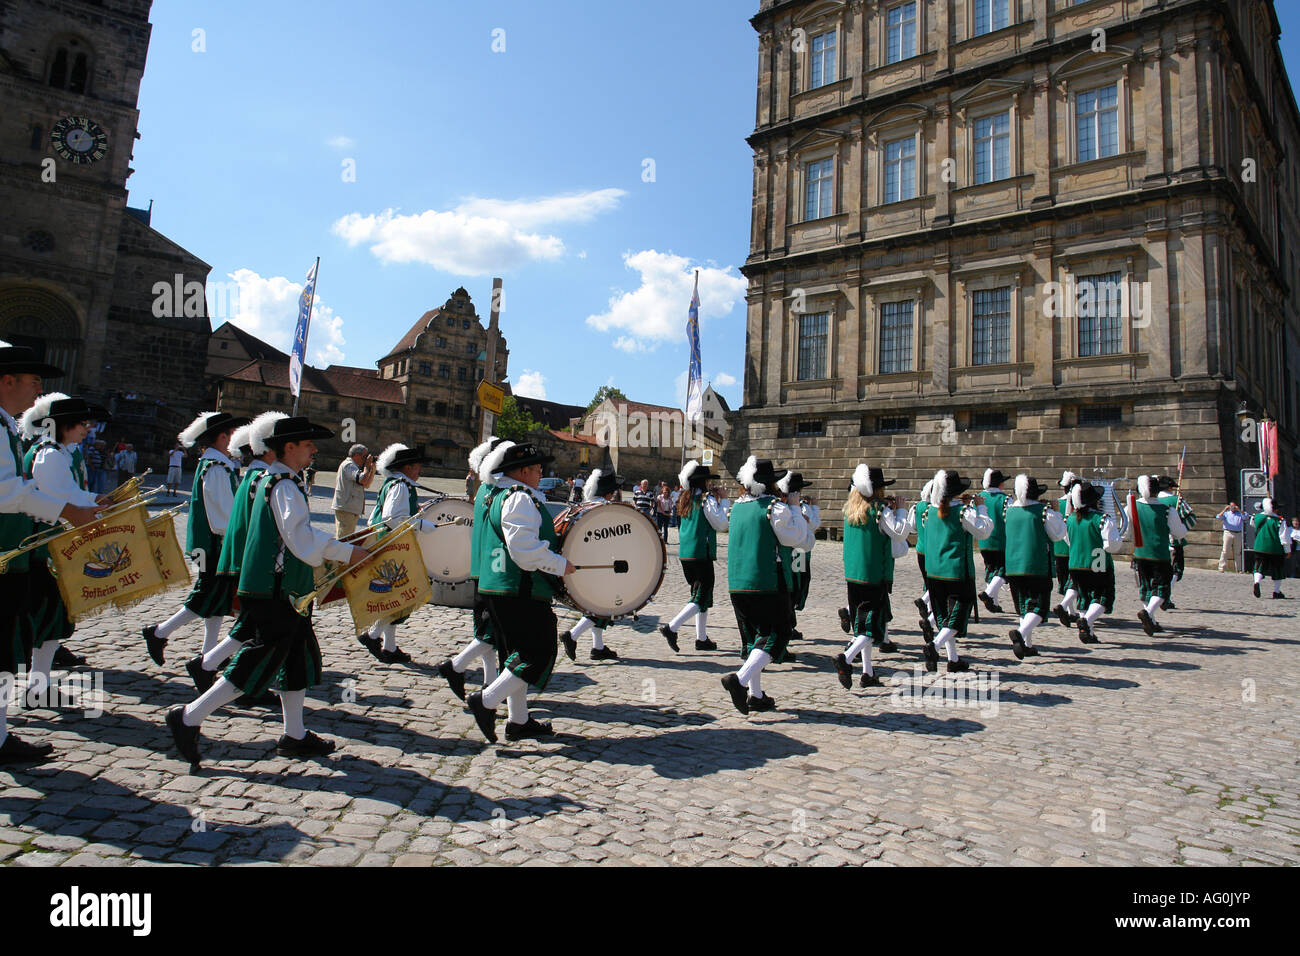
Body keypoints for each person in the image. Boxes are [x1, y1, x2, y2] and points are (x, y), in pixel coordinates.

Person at [166, 416, 368, 767]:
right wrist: (349, 552)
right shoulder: (284, 485)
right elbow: (301, 539)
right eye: (308, 445)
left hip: (278, 587)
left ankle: (295, 734)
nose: (314, 451)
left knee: (295, 659)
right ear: (288, 448)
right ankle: (189, 717)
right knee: (259, 660)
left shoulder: (276, 479)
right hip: (276, 591)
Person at [0, 347, 101, 765]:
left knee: (7, 648)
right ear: (8, 382)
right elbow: (8, 491)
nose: (40, 389)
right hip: (14, 554)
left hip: (13, 555)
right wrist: (70, 512)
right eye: (34, 380)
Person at [466, 442, 577, 743]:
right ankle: (486, 701)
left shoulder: (504, 495)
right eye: (538, 469)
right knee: (536, 654)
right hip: (517, 589)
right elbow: (524, 551)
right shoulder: (520, 499)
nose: (542, 473)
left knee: (514, 656)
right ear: (523, 471)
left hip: (504, 587)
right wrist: (559, 564)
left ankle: (518, 720)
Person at [19, 394, 109, 697]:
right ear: (66, 425)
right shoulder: (50, 455)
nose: (87, 428)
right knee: (45, 614)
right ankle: (36, 687)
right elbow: (61, 497)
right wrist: (94, 503)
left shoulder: (59, 452)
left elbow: (69, 492)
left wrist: (97, 500)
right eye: (83, 423)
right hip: (42, 548)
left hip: (49, 545)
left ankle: (38, 684)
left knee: (51, 615)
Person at [141, 411, 248, 667]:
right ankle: (159, 632)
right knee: (205, 596)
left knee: (217, 600)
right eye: (233, 435)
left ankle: (208, 653)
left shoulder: (215, 464)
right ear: (223, 437)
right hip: (214, 545)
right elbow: (221, 516)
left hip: (212, 544)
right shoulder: (216, 467)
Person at [186, 413, 283, 692]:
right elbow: (225, 520)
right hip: (227, 551)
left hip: (234, 552)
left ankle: (209, 663)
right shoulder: (222, 469)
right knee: (215, 603)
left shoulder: (229, 469)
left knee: (226, 610)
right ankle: (223, 672)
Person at [719, 457, 815, 715]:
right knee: (778, 633)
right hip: (767, 582)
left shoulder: (735, 508)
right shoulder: (774, 508)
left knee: (754, 639)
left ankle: (756, 695)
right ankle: (739, 680)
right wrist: (795, 508)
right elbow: (800, 541)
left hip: (738, 584)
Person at [438, 437, 509, 701]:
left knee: (486, 629)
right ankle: (455, 666)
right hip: (493, 570)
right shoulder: (496, 493)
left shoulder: (483, 491)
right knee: (493, 631)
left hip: (481, 567)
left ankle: (489, 683)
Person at [357, 443, 435, 663]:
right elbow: (391, 518)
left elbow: (379, 517)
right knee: (403, 596)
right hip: (395, 549)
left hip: (392, 547)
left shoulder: (397, 484)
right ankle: (372, 635)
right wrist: (420, 524)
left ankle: (389, 647)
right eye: (417, 465)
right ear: (407, 467)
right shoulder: (401, 485)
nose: (420, 469)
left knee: (396, 596)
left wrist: (416, 512)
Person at [833, 464, 906, 689]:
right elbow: (900, 533)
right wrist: (900, 510)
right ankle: (846, 656)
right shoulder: (880, 509)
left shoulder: (850, 509)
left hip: (854, 575)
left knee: (861, 624)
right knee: (872, 627)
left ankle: (868, 672)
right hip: (874, 574)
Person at [918, 469, 993, 672]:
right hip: (956, 570)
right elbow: (984, 530)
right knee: (957, 616)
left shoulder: (928, 511)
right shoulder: (962, 512)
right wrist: (981, 508)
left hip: (934, 571)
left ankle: (953, 659)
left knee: (943, 615)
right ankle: (934, 645)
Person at [660, 460, 728, 652]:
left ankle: (701, 637)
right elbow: (721, 524)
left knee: (699, 596)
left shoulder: (684, 498)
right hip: (701, 553)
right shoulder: (707, 500)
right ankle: (671, 627)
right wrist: (724, 501)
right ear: (703, 482)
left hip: (687, 554)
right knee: (701, 597)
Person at [560, 468, 628, 661]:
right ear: (609, 491)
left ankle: (597, 647)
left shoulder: (586, 506)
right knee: (603, 606)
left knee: (596, 605)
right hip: (602, 564)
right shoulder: (605, 509)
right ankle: (572, 635)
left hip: (583, 563)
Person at [1003, 475, 1068, 658]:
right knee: (1039, 608)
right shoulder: (1043, 511)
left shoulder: (1008, 511)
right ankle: (1021, 635)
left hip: (1013, 565)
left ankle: (1027, 644)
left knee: (1025, 606)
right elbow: (1058, 534)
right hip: (1036, 564)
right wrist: (1056, 512)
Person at [1127, 474, 1189, 634]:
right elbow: (1179, 533)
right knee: (1162, 589)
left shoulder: (1131, 508)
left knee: (1146, 588)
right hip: (1160, 554)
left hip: (1139, 554)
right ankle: (1148, 613)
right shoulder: (1167, 510)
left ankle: (1151, 620)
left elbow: (1127, 532)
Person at [1065, 481, 1123, 643]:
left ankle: (1087, 631)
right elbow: (1111, 545)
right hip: (1098, 562)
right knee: (1103, 596)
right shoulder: (1102, 519)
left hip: (1076, 563)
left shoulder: (1070, 519)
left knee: (1083, 597)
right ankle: (1087, 621)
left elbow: (1068, 540)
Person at [783, 473, 818, 640]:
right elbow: (814, 525)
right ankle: (789, 623)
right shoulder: (799, 505)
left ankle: (790, 622)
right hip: (799, 553)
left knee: (796, 586)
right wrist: (815, 509)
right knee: (797, 586)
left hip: (797, 552)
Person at [905, 479, 939, 640]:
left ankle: (929, 603)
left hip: (921, 549)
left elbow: (912, 527)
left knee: (928, 580)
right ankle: (927, 602)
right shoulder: (936, 509)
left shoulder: (917, 507)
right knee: (936, 582)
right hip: (934, 551)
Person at [1052, 471, 1083, 626]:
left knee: (1065, 579)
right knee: (1076, 581)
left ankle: (1070, 611)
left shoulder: (1057, 503)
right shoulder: (1080, 505)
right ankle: (1070, 610)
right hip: (1076, 548)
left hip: (1059, 547)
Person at [977, 469, 1010, 614]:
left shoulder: (979, 497)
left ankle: (994, 602)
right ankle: (989, 593)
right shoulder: (1005, 499)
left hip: (984, 541)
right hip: (1000, 539)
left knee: (990, 569)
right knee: (1004, 570)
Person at [331, 444, 376, 539]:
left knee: (348, 538)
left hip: (351, 508)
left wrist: (372, 468)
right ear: (356, 455)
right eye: (364, 457)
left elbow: (366, 484)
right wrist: (367, 467)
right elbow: (362, 479)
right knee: (344, 539)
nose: (365, 459)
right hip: (346, 508)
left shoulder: (354, 466)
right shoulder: (348, 465)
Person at [1249, 498, 1291, 599]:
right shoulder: (1280, 521)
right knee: (1277, 569)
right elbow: (1284, 537)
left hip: (1260, 547)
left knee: (1259, 566)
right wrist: (1288, 550)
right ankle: (1276, 592)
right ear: (1275, 509)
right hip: (1275, 549)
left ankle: (1256, 582)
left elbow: (1252, 524)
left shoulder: (1256, 517)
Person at [1217, 502, 1245, 572]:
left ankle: (1238, 569)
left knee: (1238, 551)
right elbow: (1218, 517)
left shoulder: (1239, 514)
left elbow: (1246, 517)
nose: (1232, 508)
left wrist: (1239, 510)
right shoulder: (1226, 513)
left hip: (1238, 533)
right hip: (1228, 532)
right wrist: (1224, 509)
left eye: (1234, 506)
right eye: (1231, 506)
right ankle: (1221, 567)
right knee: (1225, 550)